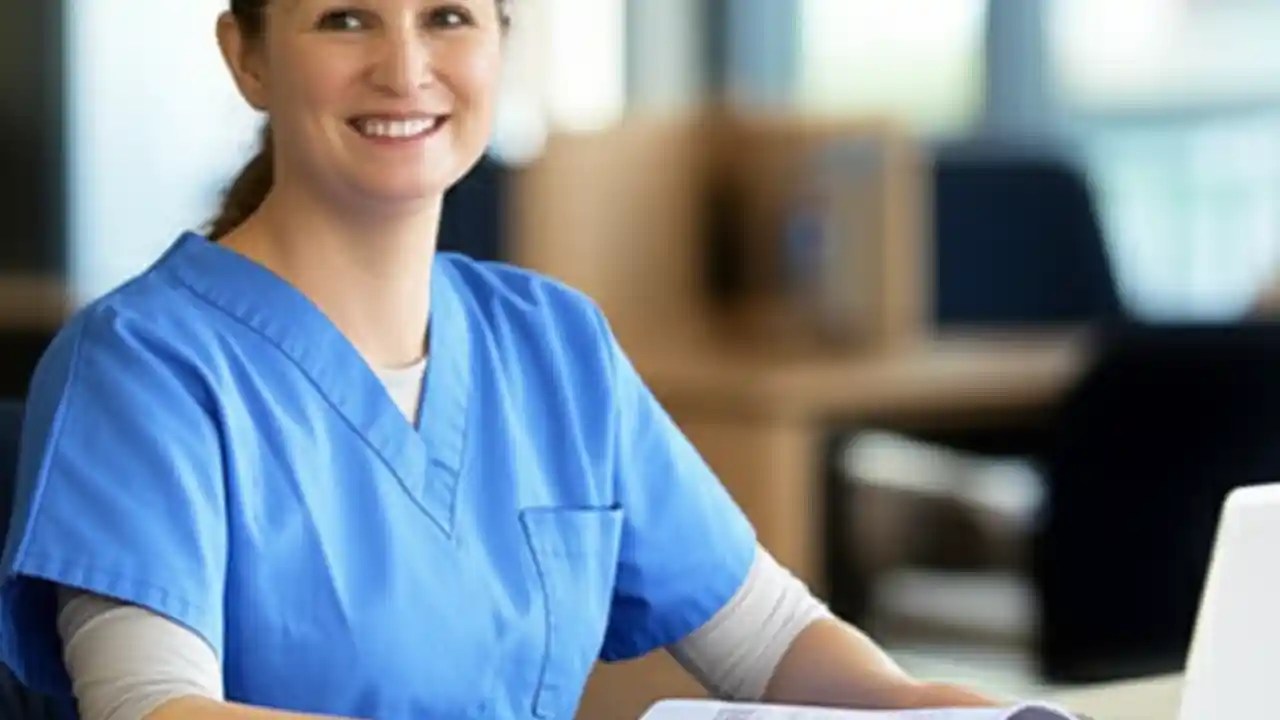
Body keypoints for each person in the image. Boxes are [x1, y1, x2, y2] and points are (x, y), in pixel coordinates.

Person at [0, 1, 999, 718]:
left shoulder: (553, 345)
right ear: (247, 55)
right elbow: (150, 707)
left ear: (500, 45)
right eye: (345, 19)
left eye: (447, 17)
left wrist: (918, 706)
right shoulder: (144, 367)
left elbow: (766, 638)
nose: (404, 67)